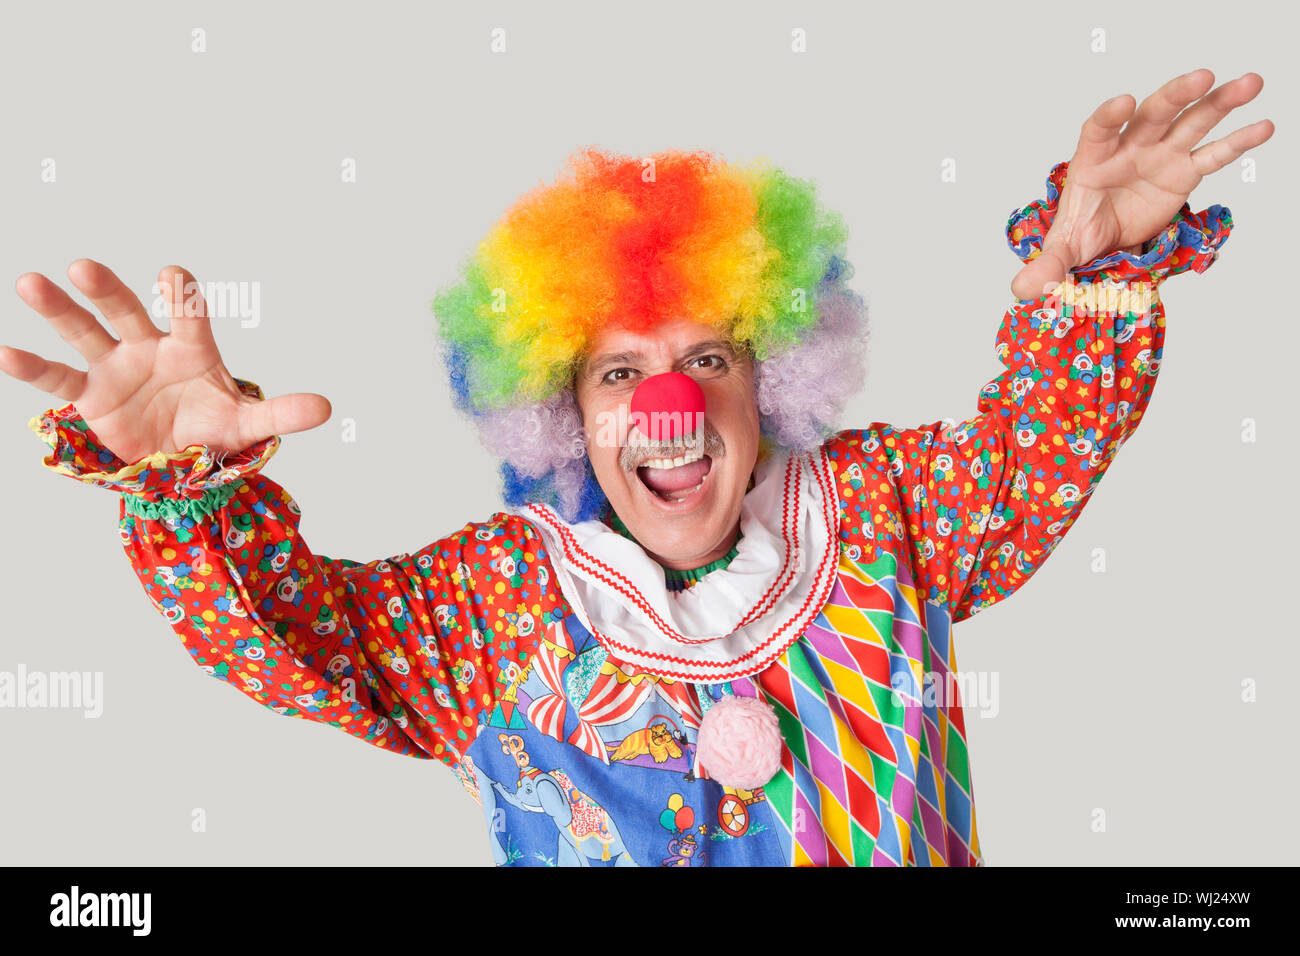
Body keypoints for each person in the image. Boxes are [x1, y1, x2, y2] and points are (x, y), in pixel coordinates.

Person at [4, 70, 1271, 867]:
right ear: (563, 408)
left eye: (709, 356)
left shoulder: (885, 511)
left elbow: (1035, 441)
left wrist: (1090, 266)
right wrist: (189, 487)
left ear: (774, 378)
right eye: (619, 372)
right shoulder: (492, 597)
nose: (670, 399)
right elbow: (291, 640)